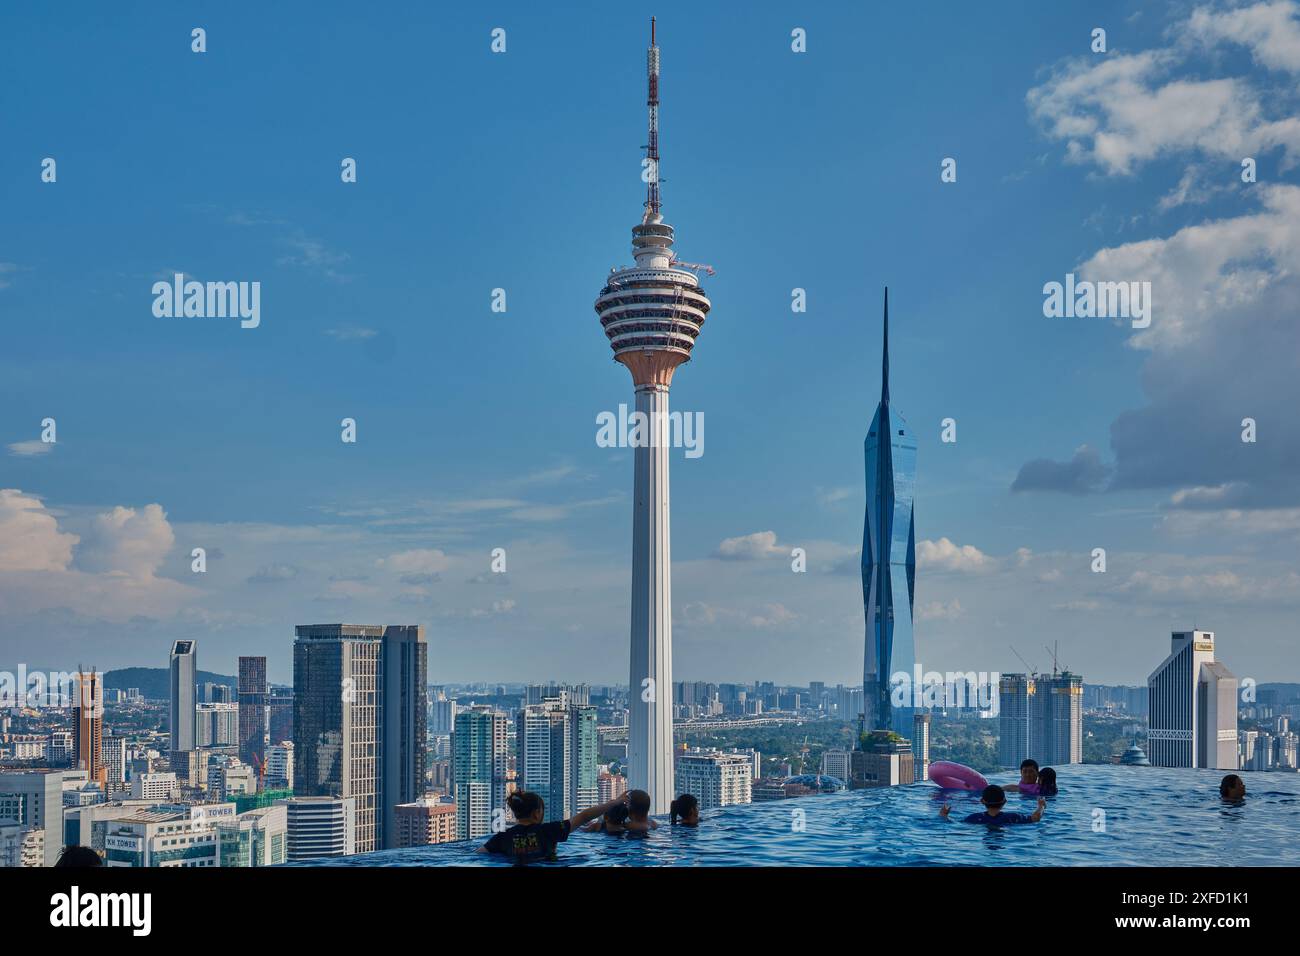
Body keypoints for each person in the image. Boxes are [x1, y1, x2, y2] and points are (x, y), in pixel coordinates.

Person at [479, 789, 627, 863]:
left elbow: (479, 853)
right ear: (537, 814)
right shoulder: (550, 830)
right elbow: (584, 816)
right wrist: (615, 802)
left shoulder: (501, 837)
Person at [941, 785, 1046, 825]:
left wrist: (945, 816)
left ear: (982, 801)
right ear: (1005, 802)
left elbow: (954, 824)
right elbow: (1036, 818)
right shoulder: (1014, 817)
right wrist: (1041, 806)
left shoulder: (974, 818)